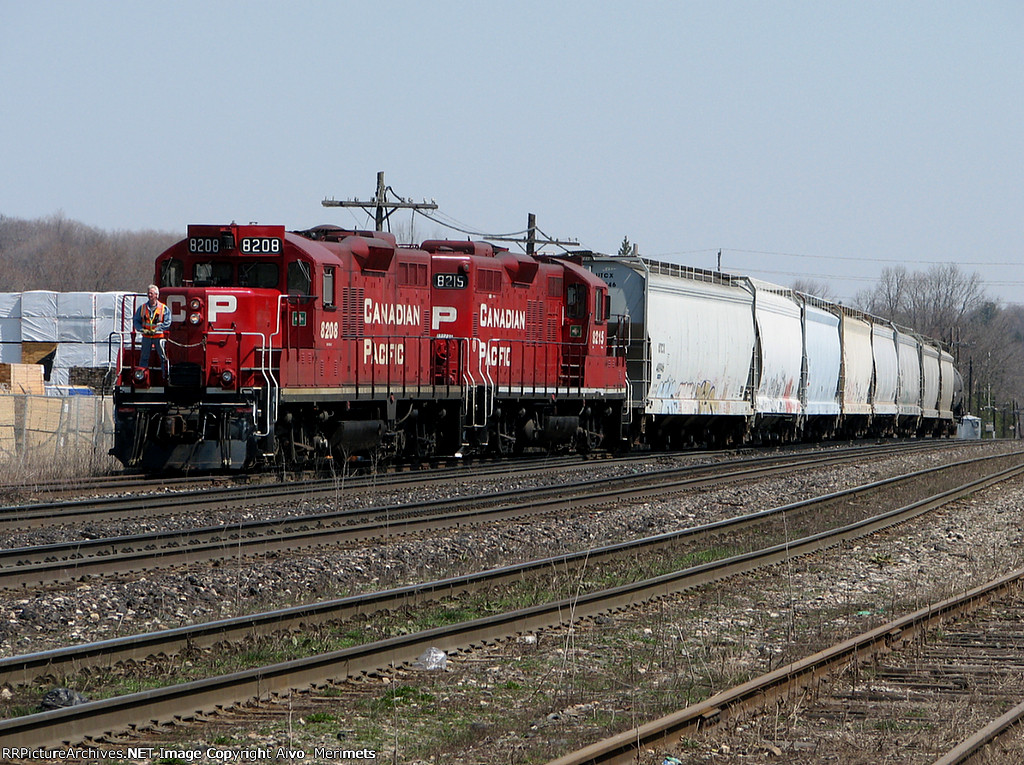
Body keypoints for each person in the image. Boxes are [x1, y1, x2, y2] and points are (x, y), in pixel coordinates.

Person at [134, 284, 171, 369]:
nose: (149, 295)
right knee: (144, 358)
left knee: (163, 358)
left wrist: (157, 329)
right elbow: (136, 320)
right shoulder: (142, 308)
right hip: (146, 337)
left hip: (159, 337)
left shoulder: (163, 308)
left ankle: (164, 376)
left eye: (151, 293)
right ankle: (142, 376)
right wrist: (142, 329)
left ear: (156, 295)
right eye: (148, 293)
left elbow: (168, 322)